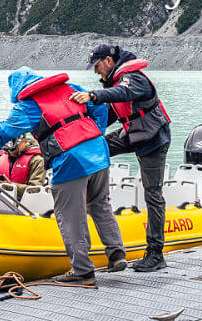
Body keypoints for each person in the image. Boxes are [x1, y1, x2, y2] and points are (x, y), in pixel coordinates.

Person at [0, 67, 127, 285]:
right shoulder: (70, 88)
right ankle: (117, 255)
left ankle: (83, 271)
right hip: (98, 151)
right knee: (100, 204)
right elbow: (100, 107)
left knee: (70, 215)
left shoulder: (28, 106)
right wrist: (94, 134)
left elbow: (0, 135)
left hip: (71, 159)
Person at [70, 44, 171, 272]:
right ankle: (92, 195)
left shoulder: (132, 78)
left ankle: (156, 254)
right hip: (134, 133)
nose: (96, 71)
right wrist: (82, 131)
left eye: (97, 66)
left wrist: (93, 96)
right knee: (99, 146)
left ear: (108, 60)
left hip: (154, 139)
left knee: (153, 195)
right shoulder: (116, 80)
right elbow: (113, 113)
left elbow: (123, 93)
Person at [0, 133, 46, 199]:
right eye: (8, 149)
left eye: (14, 149)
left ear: (25, 141)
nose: (11, 152)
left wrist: (10, 186)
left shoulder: (37, 160)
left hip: (25, 202)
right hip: (3, 201)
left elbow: (35, 190)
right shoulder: (0, 159)